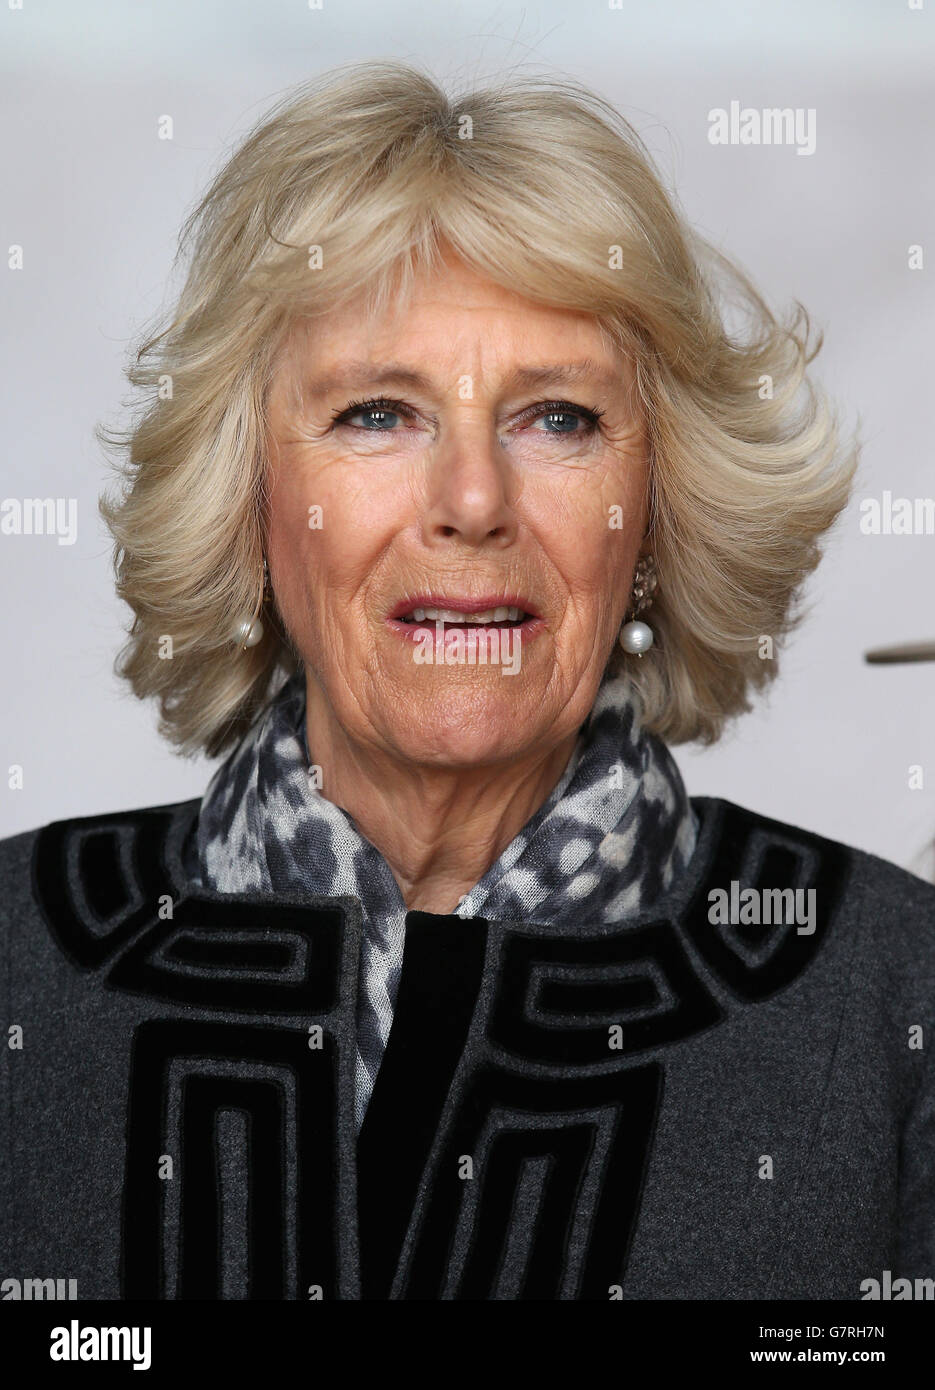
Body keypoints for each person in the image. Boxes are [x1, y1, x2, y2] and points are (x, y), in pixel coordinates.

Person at [2, 61, 933, 1302]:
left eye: (556, 418)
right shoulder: (16, 962)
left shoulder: (893, 990)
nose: (473, 502)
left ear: (658, 513)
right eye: (376, 413)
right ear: (248, 500)